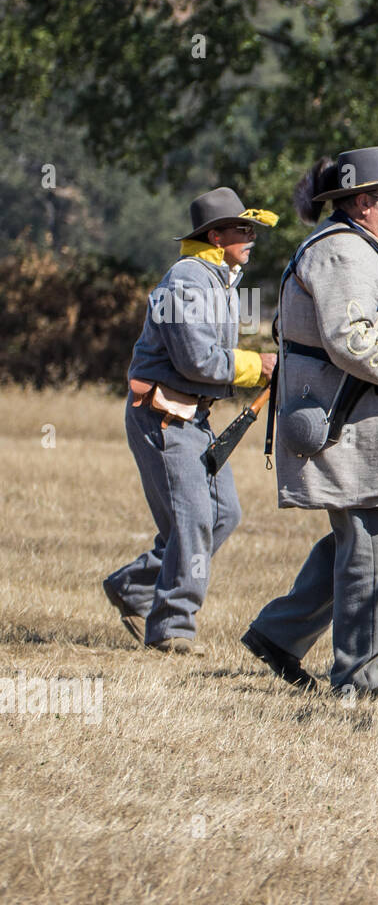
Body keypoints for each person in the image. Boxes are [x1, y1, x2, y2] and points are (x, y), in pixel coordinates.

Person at [240, 146, 378, 694]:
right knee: (372, 545)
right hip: (350, 425)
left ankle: (280, 635)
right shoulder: (344, 254)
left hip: (354, 420)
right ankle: (361, 677)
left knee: (355, 541)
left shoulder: (352, 248)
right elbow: (349, 339)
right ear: (363, 202)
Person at [103, 187, 278, 654]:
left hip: (190, 416)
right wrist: (256, 366)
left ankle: (133, 588)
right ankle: (173, 628)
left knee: (222, 514)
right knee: (195, 517)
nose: (251, 237)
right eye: (244, 229)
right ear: (216, 235)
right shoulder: (188, 280)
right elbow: (198, 362)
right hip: (163, 413)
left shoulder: (215, 278)